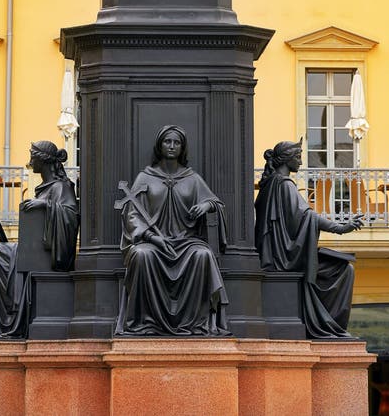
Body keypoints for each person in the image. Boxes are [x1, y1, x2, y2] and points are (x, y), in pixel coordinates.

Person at [0, 140, 79, 339]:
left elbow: (71, 216)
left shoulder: (61, 187)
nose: (30, 160)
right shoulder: (46, 188)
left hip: (46, 254)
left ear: (43, 160)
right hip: (31, 250)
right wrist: (43, 202)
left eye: (32, 155)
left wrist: (45, 205)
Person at [115, 125, 229, 335]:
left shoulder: (192, 178)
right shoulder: (145, 177)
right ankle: (145, 321)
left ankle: (195, 322)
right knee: (141, 255)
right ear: (160, 145)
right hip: (152, 242)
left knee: (203, 255)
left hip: (186, 241)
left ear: (182, 148)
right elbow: (132, 215)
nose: (172, 146)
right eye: (167, 141)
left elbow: (216, 204)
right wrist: (151, 237)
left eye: (177, 142)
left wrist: (206, 205)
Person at [254, 140, 363, 340]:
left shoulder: (271, 184)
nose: (301, 161)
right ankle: (328, 325)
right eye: (298, 157)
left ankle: (328, 324)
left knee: (342, 268)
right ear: (287, 159)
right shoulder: (284, 185)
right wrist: (340, 228)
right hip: (286, 258)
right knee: (345, 270)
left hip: (281, 253)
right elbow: (307, 216)